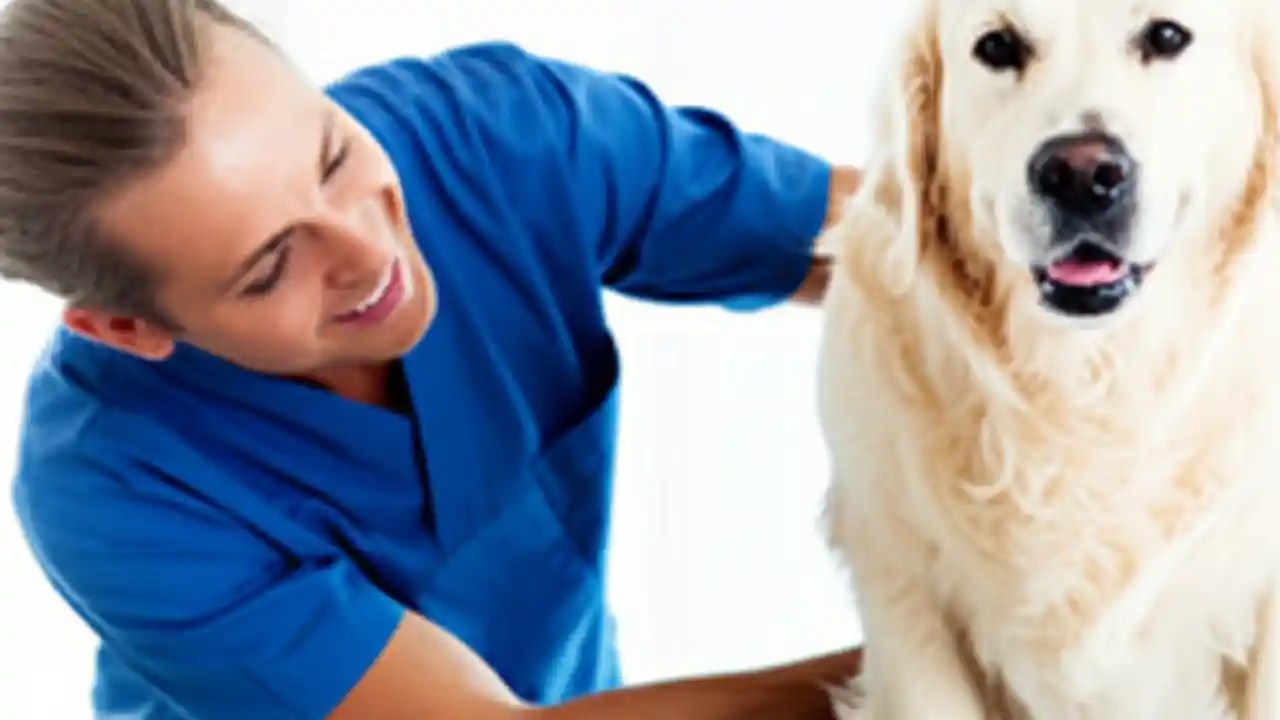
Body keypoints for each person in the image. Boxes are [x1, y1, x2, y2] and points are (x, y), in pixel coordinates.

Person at [4, 1, 863, 718]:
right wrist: (925, 679)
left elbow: (900, 252)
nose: (367, 247)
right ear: (126, 329)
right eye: (271, 266)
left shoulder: (496, 142)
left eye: (334, 153)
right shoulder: (109, 486)